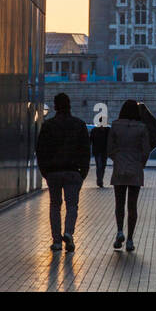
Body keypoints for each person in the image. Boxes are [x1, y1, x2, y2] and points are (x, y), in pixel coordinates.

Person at [35, 93, 91, 253]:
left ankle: (57, 241)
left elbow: (41, 150)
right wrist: (83, 172)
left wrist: (45, 171)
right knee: (72, 205)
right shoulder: (79, 125)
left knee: (55, 205)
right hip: (73, 171)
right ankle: (68, 233)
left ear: (55, 106)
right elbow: (85, 150)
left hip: (53, 171)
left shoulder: (48, 125)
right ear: (69, 105)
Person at [108, 100, 151, 253]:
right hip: (135, 168)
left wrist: (118, 159)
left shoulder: (115, 125)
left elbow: (110, 149)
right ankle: (130, 240)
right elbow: (146, 150)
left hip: (120, 167)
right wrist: (141, 164)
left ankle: (120, 231)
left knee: (119, 203)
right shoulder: (142, 127)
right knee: (132, 206)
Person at [90, 122, 111, 188]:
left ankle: (100, 180)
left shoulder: (107, 130)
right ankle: (100, 181)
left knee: (102, 166)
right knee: (100, 166)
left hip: (103, 151)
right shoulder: (96, 130)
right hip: (98, 151)